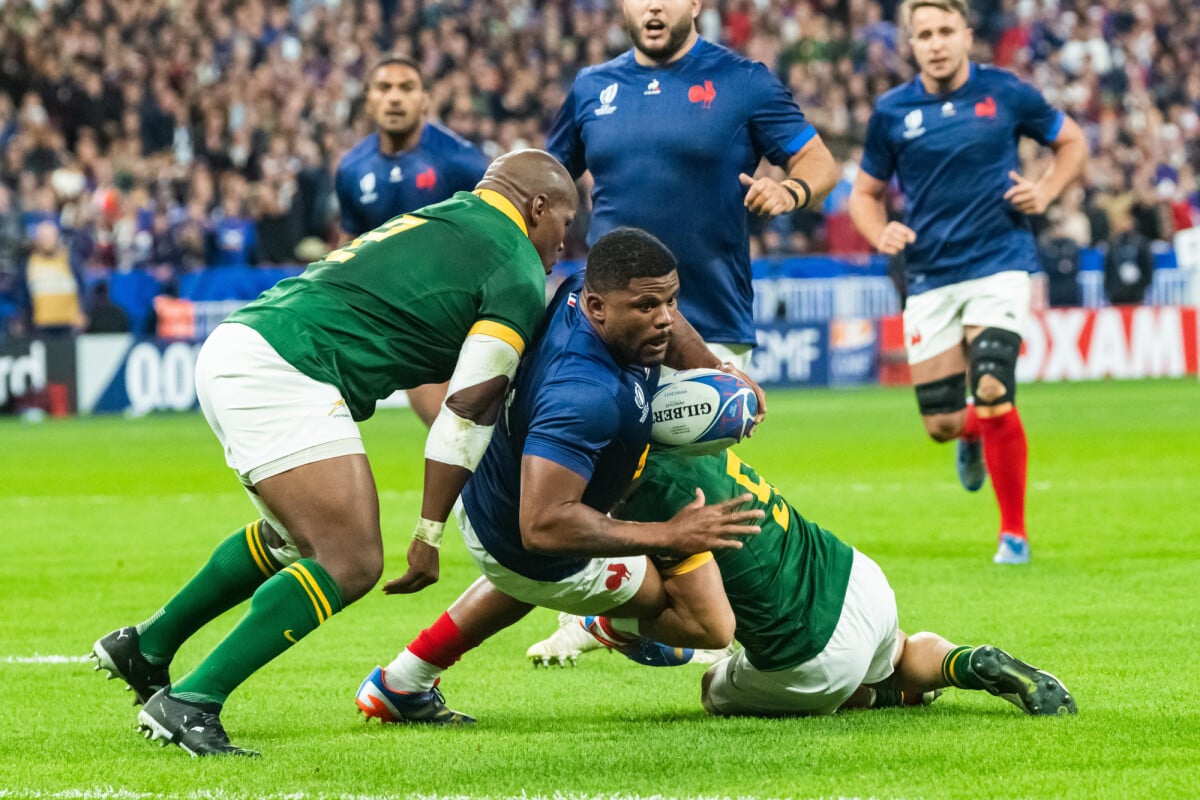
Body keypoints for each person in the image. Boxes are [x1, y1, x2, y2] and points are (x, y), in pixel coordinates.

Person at [89, 149, 579, 757]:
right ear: (537, 207)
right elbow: (468, 407)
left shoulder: (451, 216)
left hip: (246, 342)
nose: (564, 242)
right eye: (565, 222)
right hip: (285, 368)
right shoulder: (516, 266)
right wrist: (428, 532)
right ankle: (192, 700)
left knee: (293, 537)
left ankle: (147, 647)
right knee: (350, 560)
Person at [354, 228, 766, 725]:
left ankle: (401, 682)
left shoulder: (585, 290)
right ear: (598, 308)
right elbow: (544, 527)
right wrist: (669, 534)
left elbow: (665, 319)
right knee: (707, 625)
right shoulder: (582, 394)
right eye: (646, 306)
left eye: (670, 300)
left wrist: (719, 370)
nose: (664, 317)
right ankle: (607, 624)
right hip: (528, 531)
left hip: (497, 488)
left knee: (523, 579)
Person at [530, 448, 1078, 719]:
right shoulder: (696, 441)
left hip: (814, 657)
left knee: (712, 688)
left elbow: (706, 625)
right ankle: (966, 661)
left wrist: (610, 625)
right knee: (901, 648)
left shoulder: (649, 501)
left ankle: (879, 695)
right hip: (856, 577)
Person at [847, 0, 1088, 565]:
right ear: (911, 43)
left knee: (994, 387)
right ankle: (971, 433)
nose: (936, 43)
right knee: (943, 423)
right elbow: (864, 194)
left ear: (966, 35)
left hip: (999, 262)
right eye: (924, 34)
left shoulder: (1005, 91)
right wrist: (879, 232)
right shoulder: (892, 111)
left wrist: (1046, 191)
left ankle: (1013, 536)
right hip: (930, 273)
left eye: (945, 31)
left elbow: (1072, 141)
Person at [545, 0, 839, 370]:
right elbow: (546, 180)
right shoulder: (590, 86)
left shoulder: (743, 80)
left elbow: (818, 161)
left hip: (709, 326)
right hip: (606, 331)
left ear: (696, 4)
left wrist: (789, 191)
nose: (654, 6)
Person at [336, 55, 492, 426]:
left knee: (486, 425)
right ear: (369, 100)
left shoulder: (462, 162)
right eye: (384, 88)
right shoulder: (352, 169)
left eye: (406, 88)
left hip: (473, 309)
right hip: (410, 320)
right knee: (449, 428)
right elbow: (350, 246)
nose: (394, 97)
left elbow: (503, 231)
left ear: (425, 100)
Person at [1103, 195, 1155, 306]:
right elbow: (1108, 270)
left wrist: (1140, 287)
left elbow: (1148, 269)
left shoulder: (1141, 243)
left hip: (1136, 295)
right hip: (1117, 296)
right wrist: (1112, 290)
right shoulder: (1113, 244)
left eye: (1126, 218)